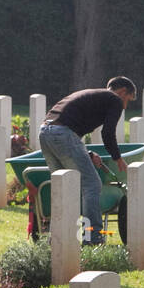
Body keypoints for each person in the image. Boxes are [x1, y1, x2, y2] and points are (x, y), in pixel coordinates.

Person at [37, 76, 137, 245]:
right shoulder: (114, 100)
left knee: (63, 187)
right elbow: (107, 133)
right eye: (128, 100)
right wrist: (117, 158)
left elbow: (70, 125)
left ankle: (56, 240)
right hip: (63, 134)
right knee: (92, 184)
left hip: (45, 132)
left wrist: (88, 153)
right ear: (122, 92)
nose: (125, 106)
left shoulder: (94, 96)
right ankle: (93, 239)